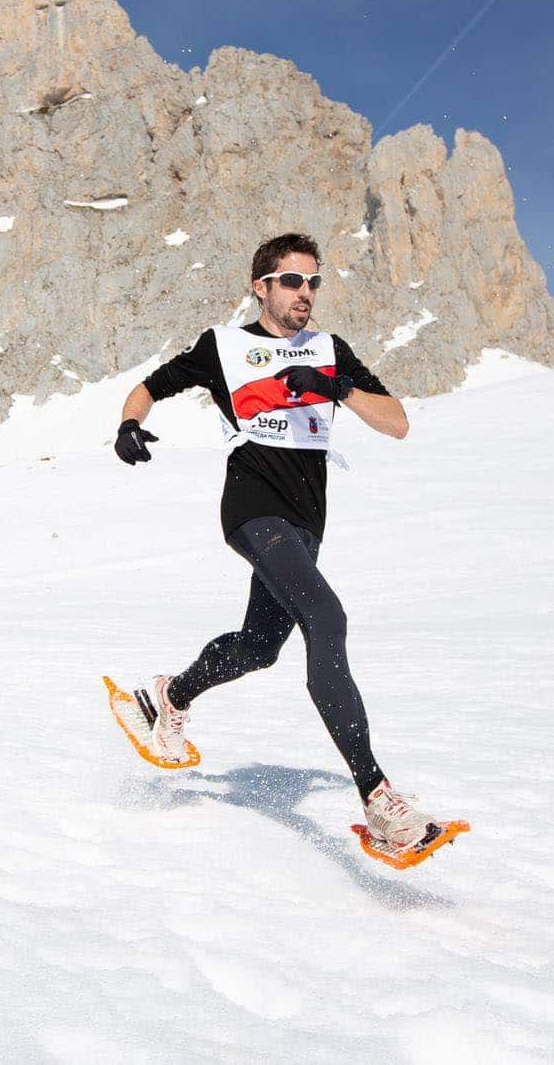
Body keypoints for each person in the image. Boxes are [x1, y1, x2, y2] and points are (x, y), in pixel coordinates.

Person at [110, 230, 443, 854]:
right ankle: (378, 799)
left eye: (314, 281)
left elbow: (396, 423)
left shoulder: (329, 349)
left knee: (261, 647)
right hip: (252, 503)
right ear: (260, 287)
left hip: (306, 519)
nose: (306, 293)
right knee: (325, 615)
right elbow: (151, 386)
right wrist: (130, 425)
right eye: (293, 281)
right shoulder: (225, 346)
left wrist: (335, 385)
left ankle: (169, 696)